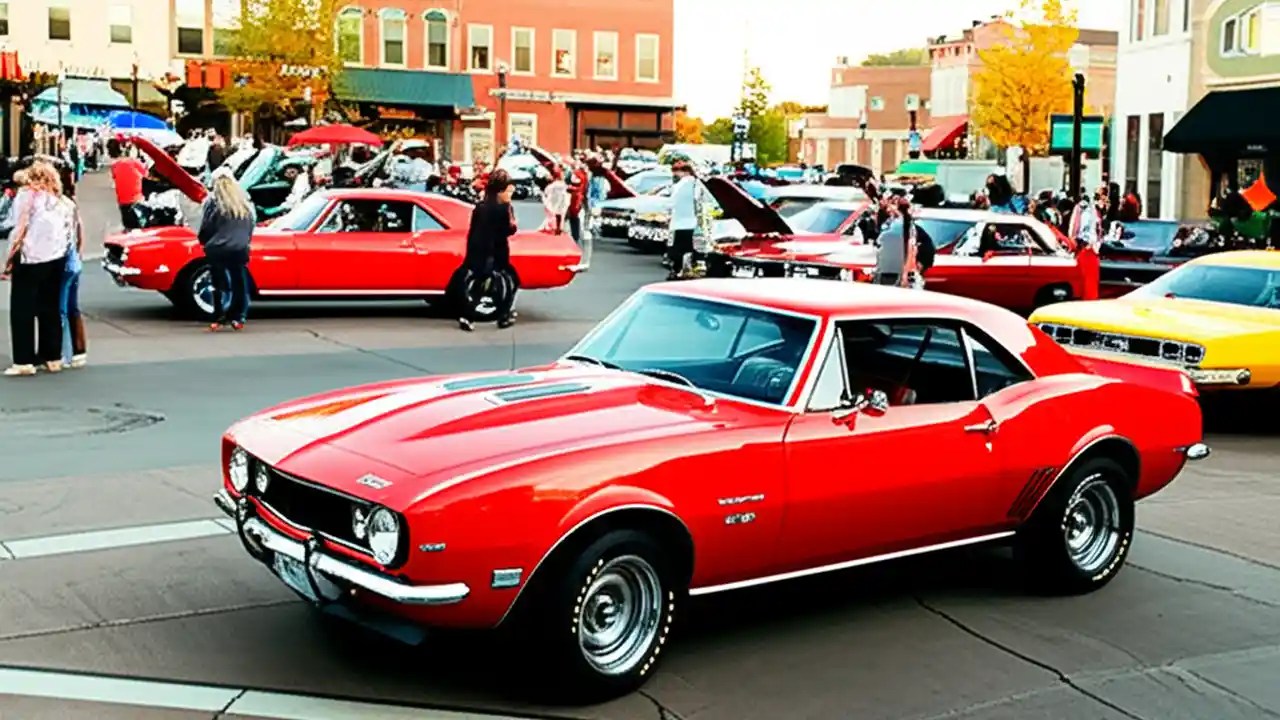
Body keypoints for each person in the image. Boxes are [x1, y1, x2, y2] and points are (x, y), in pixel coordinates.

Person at [2, 161, 74, 376]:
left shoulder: (28, 197)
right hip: (57, 257)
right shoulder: (61, 201)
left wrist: (8, 259)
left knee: (22, 309)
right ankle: (52, 357)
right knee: (50, 307)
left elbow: (17, 226)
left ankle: (24, 361)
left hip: (31, 258)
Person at [459, 169, 518, 332]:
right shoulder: (502, 209)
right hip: (495, 253)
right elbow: (507, 230)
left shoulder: (480, 207)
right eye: (508, 192)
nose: (510, 195)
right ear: (501, 191)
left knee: (479, 285)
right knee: (508, 282)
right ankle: (504, 315)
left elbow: (474, 231)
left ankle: (467, 315)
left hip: (478, 251)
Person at [198, 168, 256, 331]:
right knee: (240, 282)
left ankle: (219, 316)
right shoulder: (244, 203)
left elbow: (207, 227)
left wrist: (203, 241)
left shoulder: (214, 203)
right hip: (240, 248)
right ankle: (239, 317)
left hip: (218, 248)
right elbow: (251, 226)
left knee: (220, 283)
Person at [57, 162, 87, 368]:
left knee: (59, 308)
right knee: (72, 307)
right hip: (74, 258)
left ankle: (60, 353)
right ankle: (78, 350)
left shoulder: (58, 204)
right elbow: (79, 233)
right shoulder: (71, 202)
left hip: (63, 258)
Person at [666, 160, 698, 280]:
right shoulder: (696, 183)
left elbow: (671, 202)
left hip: (679, 223)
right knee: (688, 248)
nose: (674, 174)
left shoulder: (683, 184)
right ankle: (685, 269)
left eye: (676, 171)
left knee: (676, 250)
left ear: (685, 172)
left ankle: (677, 270)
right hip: (691, 223)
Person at [107, 139, 147, 230]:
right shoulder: (134, 162)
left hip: (123, 201)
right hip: (137, 199)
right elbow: (146, 174)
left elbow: (115, 178)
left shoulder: (114, 166)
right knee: (140, 227)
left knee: (128, 226)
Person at [541, 166, 569, 234]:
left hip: (555, 199)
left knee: (554, 213)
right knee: (560, 214)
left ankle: (555, 227)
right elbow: (566, 190)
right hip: (561, 199)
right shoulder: (563, 184)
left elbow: (547, 191)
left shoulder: (553, 185)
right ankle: (559, 228)